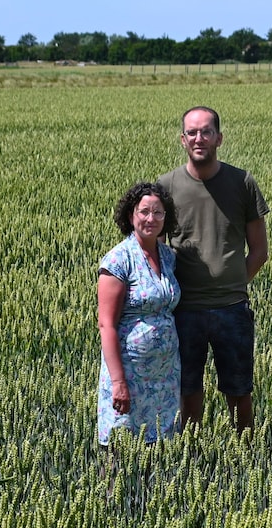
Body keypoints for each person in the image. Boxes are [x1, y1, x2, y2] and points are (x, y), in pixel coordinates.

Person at [157, 106, 270, 434]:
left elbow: (259, 251)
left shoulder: (242, 182)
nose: (199, 138)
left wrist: (232, 284)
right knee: (187, 387)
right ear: (182, 140)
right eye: (192, 132)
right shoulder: (166, 186)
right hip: (183, 310)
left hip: (231, 308)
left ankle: (244, 452)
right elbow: (157, 250)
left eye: (206, 131)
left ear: (219, 138)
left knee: (239, 389)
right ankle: (193, 452)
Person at [96, 181, 181, 446]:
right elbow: (106, 324)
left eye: (158, 212)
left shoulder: (168, 257)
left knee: (159, 451)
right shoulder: (118, 260)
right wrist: (119, 382)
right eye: (144, 211)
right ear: (131, 215)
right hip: (131, 375)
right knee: (122, 449)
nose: (151, 218)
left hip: (164, 377)